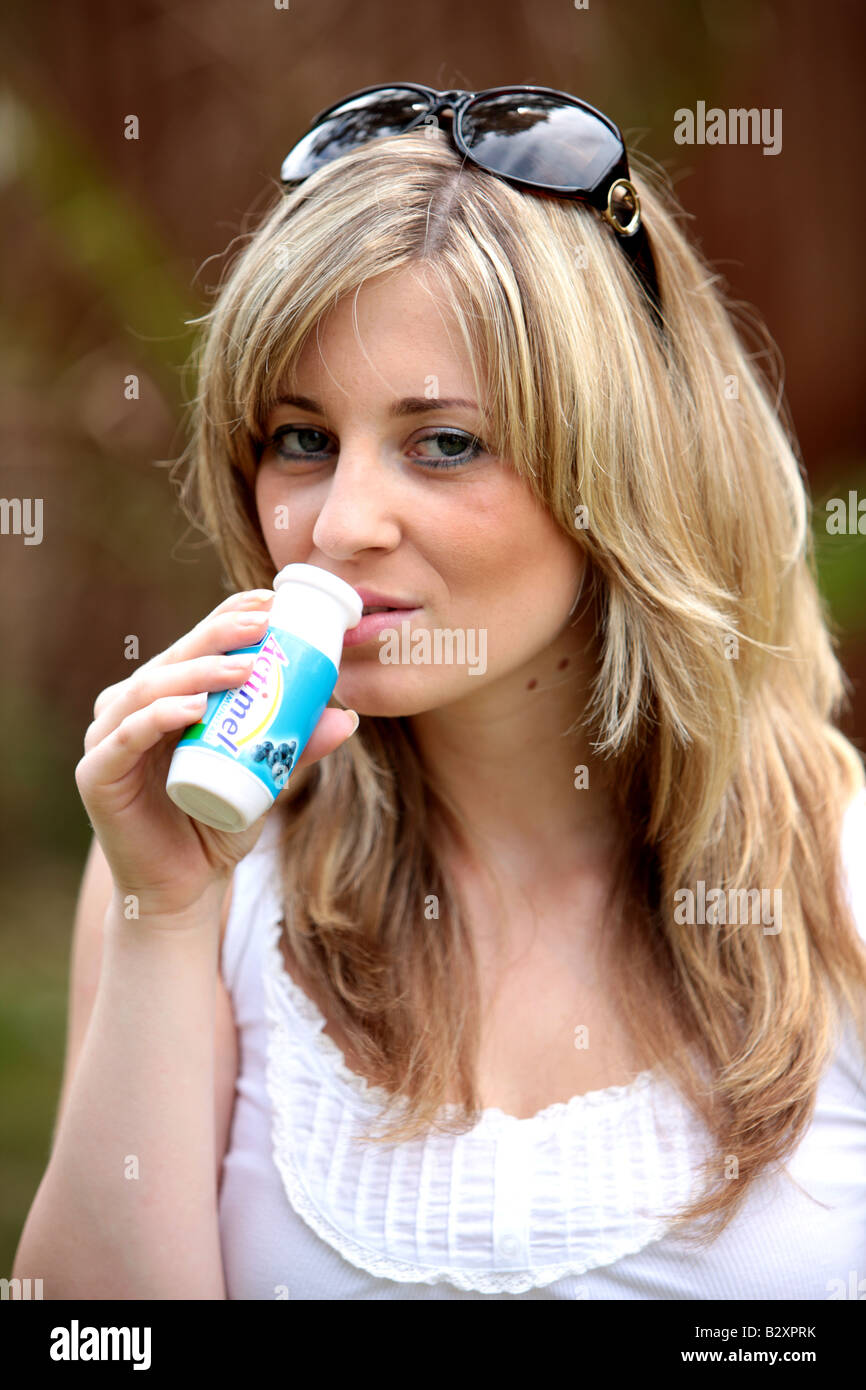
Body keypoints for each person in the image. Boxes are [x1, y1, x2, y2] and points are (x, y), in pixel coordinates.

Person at [13, 84, 866, 1300]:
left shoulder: (842, 889)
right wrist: (164, 916)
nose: (339, 525)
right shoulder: (201, 873)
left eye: (444, 443)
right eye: (301, 438)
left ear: (621, 468)